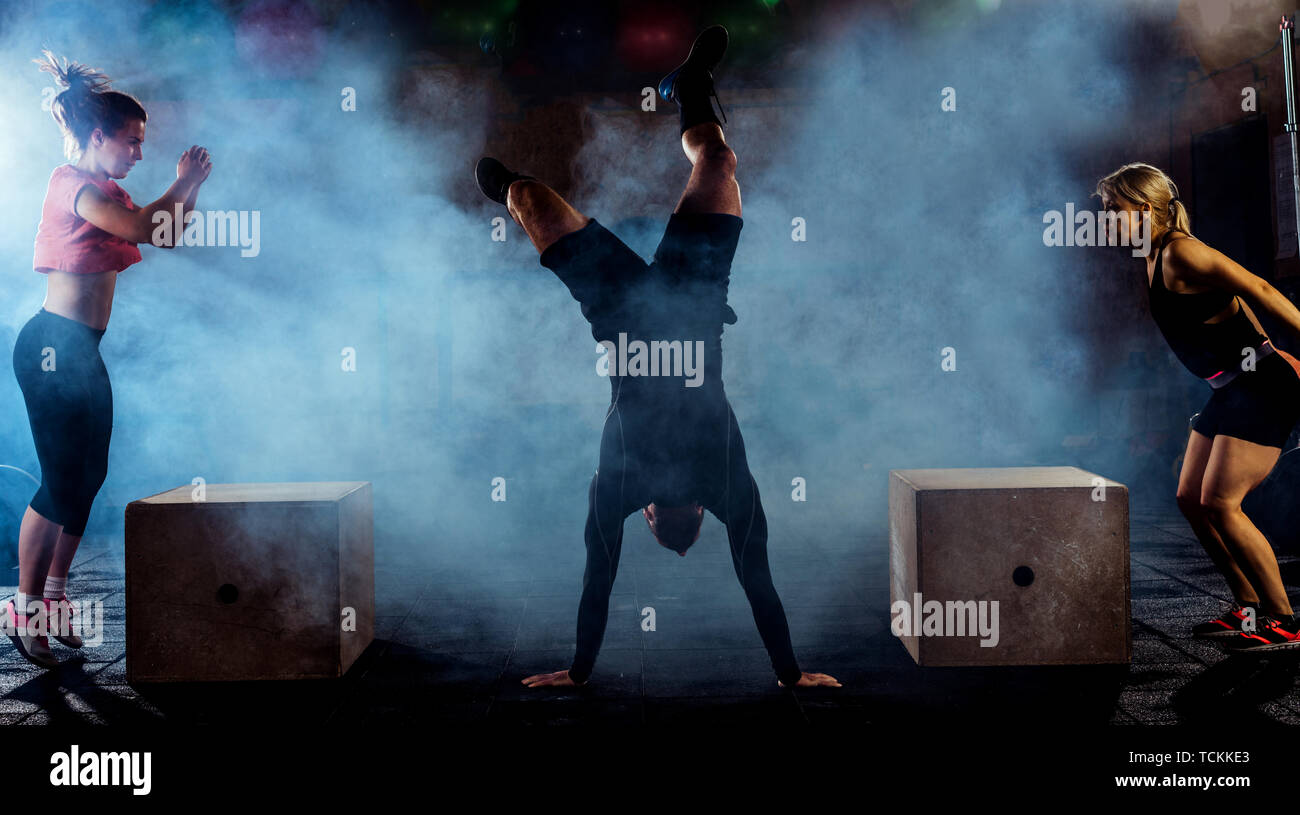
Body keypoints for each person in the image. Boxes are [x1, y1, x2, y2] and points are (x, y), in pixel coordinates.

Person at [476, 25, 840, 689]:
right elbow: (609, 581)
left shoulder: (662, 484)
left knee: (715, 167)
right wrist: (789, 675)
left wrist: (793, 672)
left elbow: (618, 581)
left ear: (670, 511)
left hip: (639, 304)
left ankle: (518, 181)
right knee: (548, 195)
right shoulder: (676, 484)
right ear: (670, 512)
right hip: (680, 295)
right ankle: (680, 93)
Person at [5, 52, 213, 668]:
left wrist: (191, 187)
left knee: (88, 477)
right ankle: (24, 607)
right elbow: (149, 226)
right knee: (60, 480)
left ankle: (57, 598)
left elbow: (169, 231)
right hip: (48, 347)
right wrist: (181, 182)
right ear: (98, 137)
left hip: (82, 350)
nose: (139, 154)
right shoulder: (73, 186)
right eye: (131, 141)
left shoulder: (110, 190)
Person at [1096, 162, 1300, 653]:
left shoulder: (1182, 252)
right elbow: (1234, 304)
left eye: (1111, 210)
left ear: (1143, 210)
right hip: (1229, 389)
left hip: (1261, 387)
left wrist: (1276, 352)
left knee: (1220, 504)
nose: (1104, 219)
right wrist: (1264, 343)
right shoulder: (1152, 254)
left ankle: (1284, 619)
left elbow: (1261, 288)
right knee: (1190, 499)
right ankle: (1246, 609)